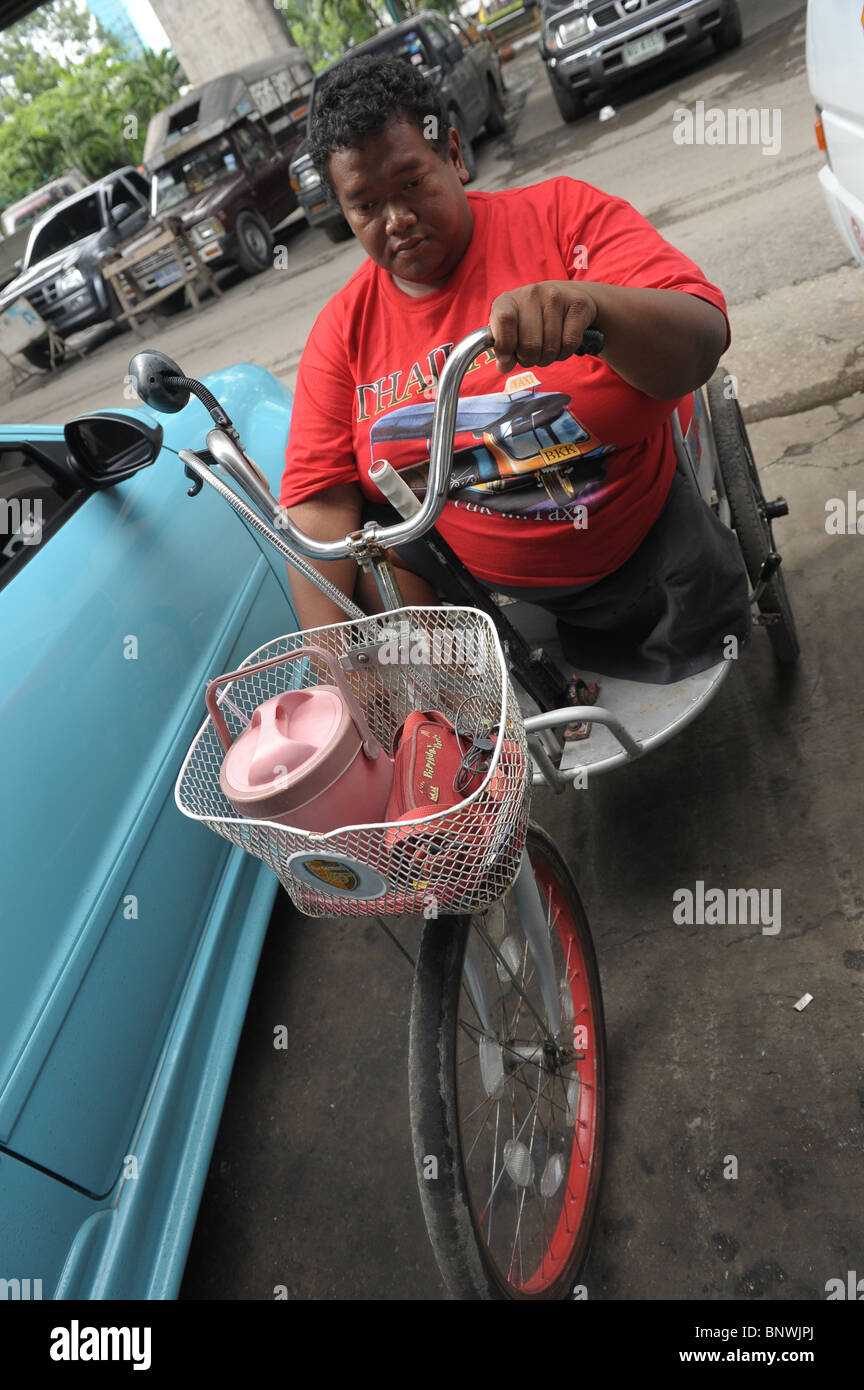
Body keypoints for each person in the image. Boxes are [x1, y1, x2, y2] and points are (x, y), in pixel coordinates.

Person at [279, 53, 751, 683]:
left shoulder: (561, 218)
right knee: (372, 555)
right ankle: (468, 709)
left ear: (453, 151)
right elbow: (318, 505)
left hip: (639, 556)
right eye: (365, 206)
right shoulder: (342, 331)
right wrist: (340, 673)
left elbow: (701, 338)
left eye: (412, 182)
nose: (396, 221)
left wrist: (591, 306)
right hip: (474, 594)